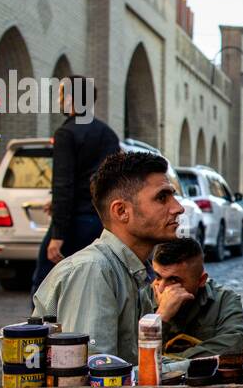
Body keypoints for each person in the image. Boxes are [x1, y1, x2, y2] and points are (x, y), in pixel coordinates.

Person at [33, 150, 184, 360]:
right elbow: (95, 375)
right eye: (162, 198)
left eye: (173, 196)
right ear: (121, 211)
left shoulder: (134, 271)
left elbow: (132, 367)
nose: (178, 208)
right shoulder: (94, 270)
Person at [31, 77, 120, 294]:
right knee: (90, 284)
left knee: (45, 284)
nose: (59, 100)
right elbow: (111, 180)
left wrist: (58, 235)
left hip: (74, 222)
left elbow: (64, 184)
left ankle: (44, 328)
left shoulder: (67, 133)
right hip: (102, 222)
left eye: (61, 94)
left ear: (70, 98)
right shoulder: (108, 134)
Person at [141, 236, 243, 359]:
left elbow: (235, 341)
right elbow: (136, 356)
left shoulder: (224, 299)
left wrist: (171, 361)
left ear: (201, 280)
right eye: (158, 277)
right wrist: (161, 316)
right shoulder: (143, 298)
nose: (161, 288)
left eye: (173, 280)